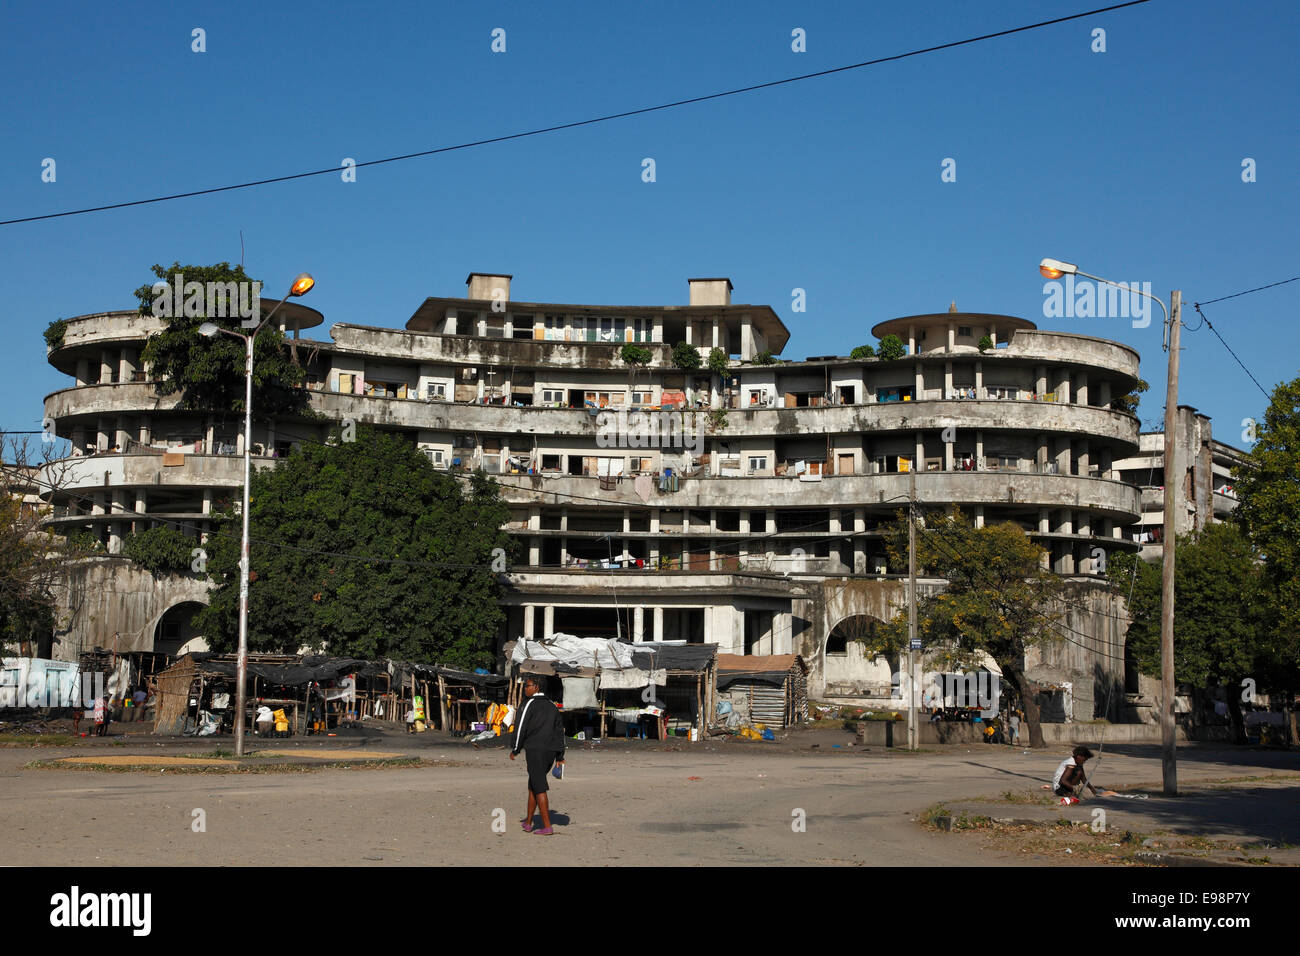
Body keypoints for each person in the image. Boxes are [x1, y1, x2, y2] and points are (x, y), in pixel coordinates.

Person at [510, 676, 566, 835]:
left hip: (536, 751)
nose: (525, 688)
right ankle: (528, 822)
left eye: (527, 686)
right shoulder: (552, 706)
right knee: (533, 784)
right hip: (550, 752)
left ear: (537, 687)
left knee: (539, 787)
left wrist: (515, 748)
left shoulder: (528, 704)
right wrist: (560, 755)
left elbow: (520, 727)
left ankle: (547, 826)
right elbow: (559, 732)